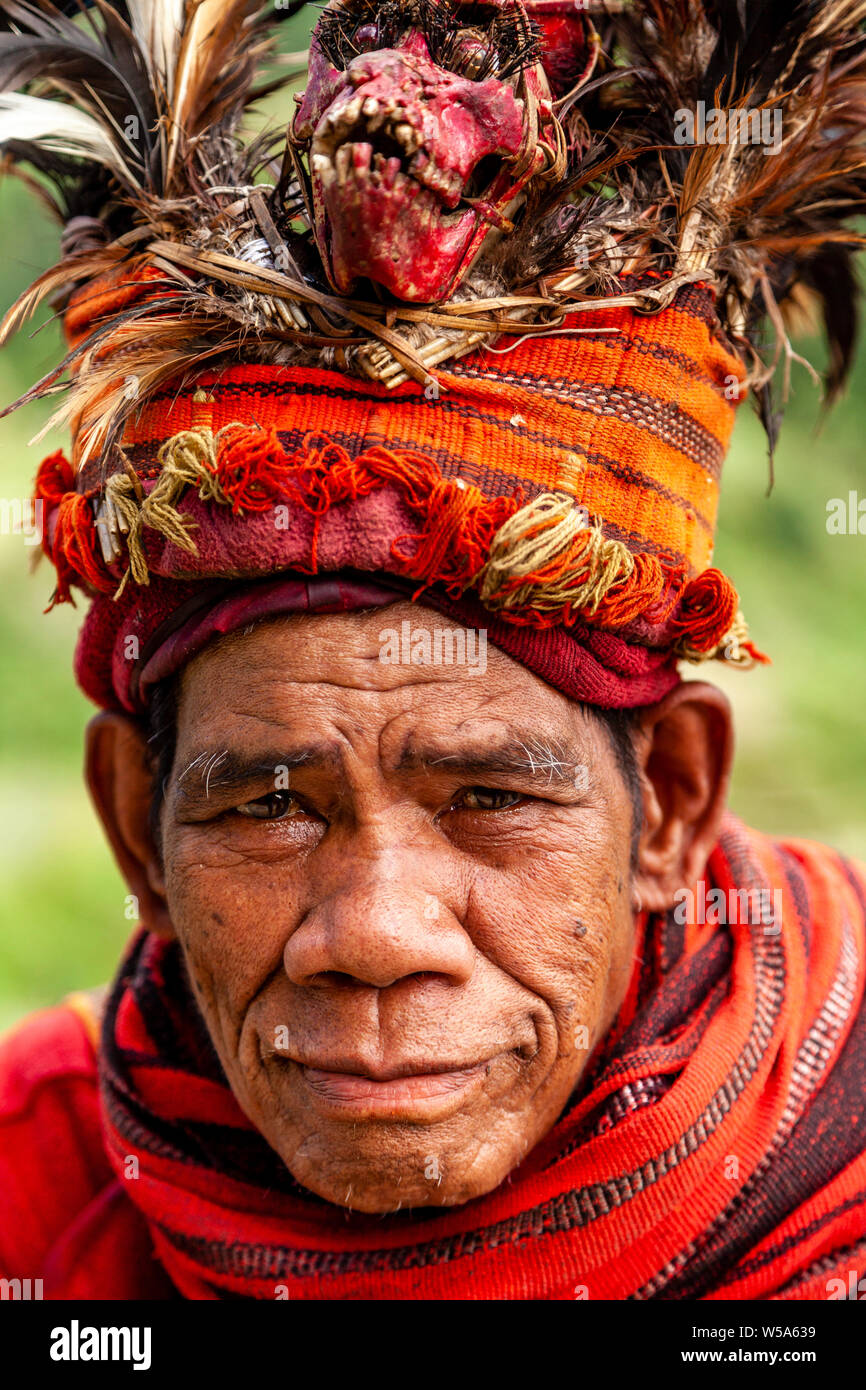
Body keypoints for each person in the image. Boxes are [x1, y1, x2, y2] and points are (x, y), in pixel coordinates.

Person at [0, 0, 865, 1300]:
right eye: (268, 804)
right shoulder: (37, 1180)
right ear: (137, 830)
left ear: (668, 805)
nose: (377, 934)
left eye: (492, 797)